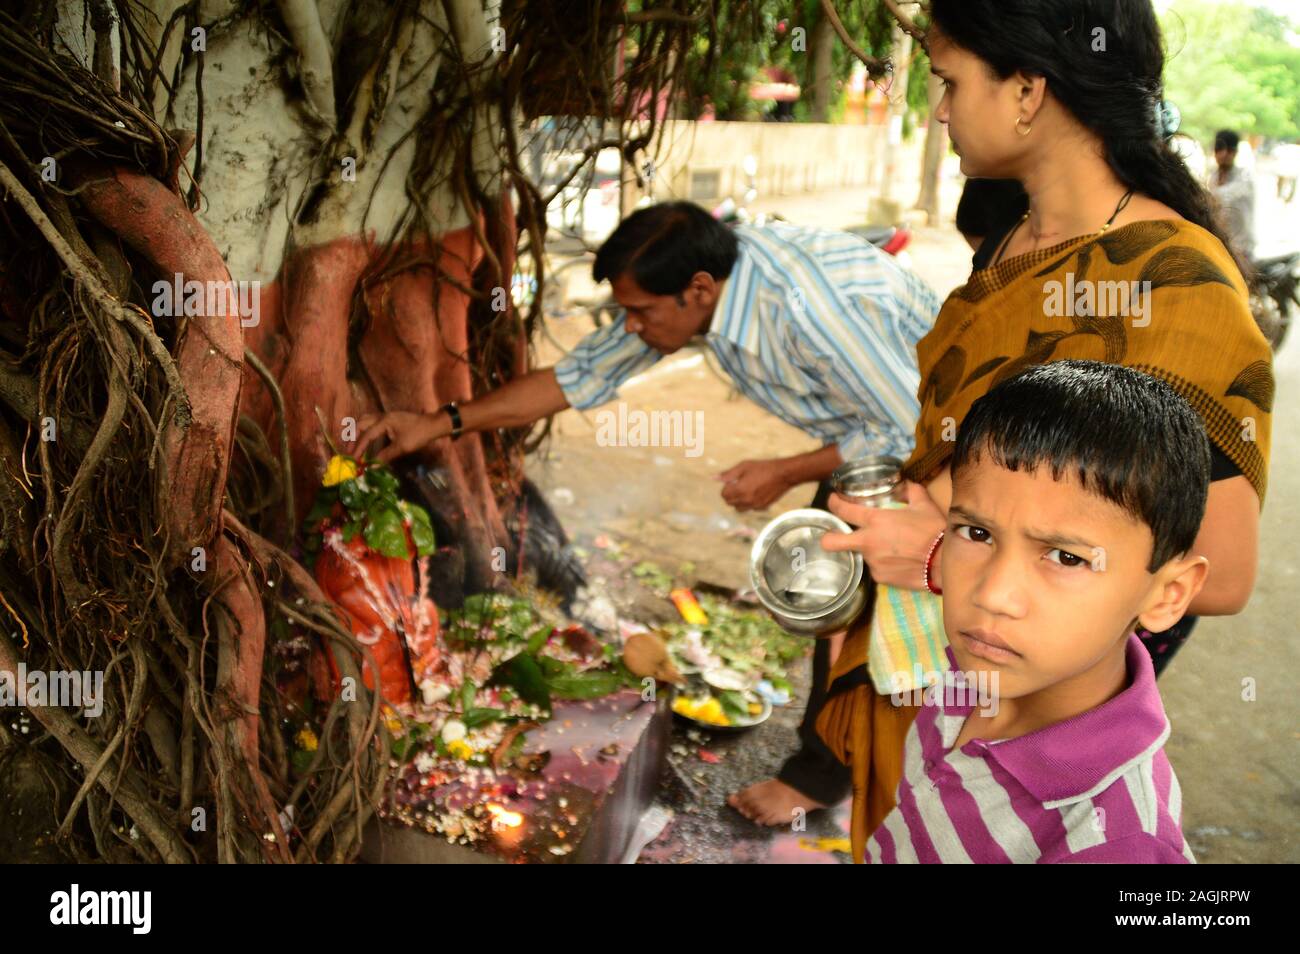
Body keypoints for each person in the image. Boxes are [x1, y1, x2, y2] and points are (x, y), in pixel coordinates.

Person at [815, 0, 1274, 864]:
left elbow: (1223, 573)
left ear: (1027, 90)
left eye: (951, 83)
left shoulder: (1174, 284)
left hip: (1019, 667)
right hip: (943, 654)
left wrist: (937, 552)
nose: (942, 110)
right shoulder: (1012, 242)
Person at [352, 199, 942, 826]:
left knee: (878, 608)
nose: (630, 326)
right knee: (835, 597)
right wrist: (436, 424)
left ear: (698, 289)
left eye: (640, 312)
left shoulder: (805, 309)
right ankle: (841, 766)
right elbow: (574, 379)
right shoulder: (700, 289)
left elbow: (911, 425)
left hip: (950, 432)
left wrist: (785, 470)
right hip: (873, 432)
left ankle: (854, 779)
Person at [867, 360, 1205, 864]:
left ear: (1167, 595)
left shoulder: (1117, 842)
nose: (993, 596)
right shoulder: (975, 668)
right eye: (977, 534)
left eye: (1067, 557)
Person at [1209, 129, 1256, 261]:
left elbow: (1220, 196)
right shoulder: (1213, 177)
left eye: (1229, 150)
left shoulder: (1245, 177)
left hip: (1242, 250)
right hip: (1221, 249)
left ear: (1235, 153)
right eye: (1219, 149)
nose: (1223, 154)